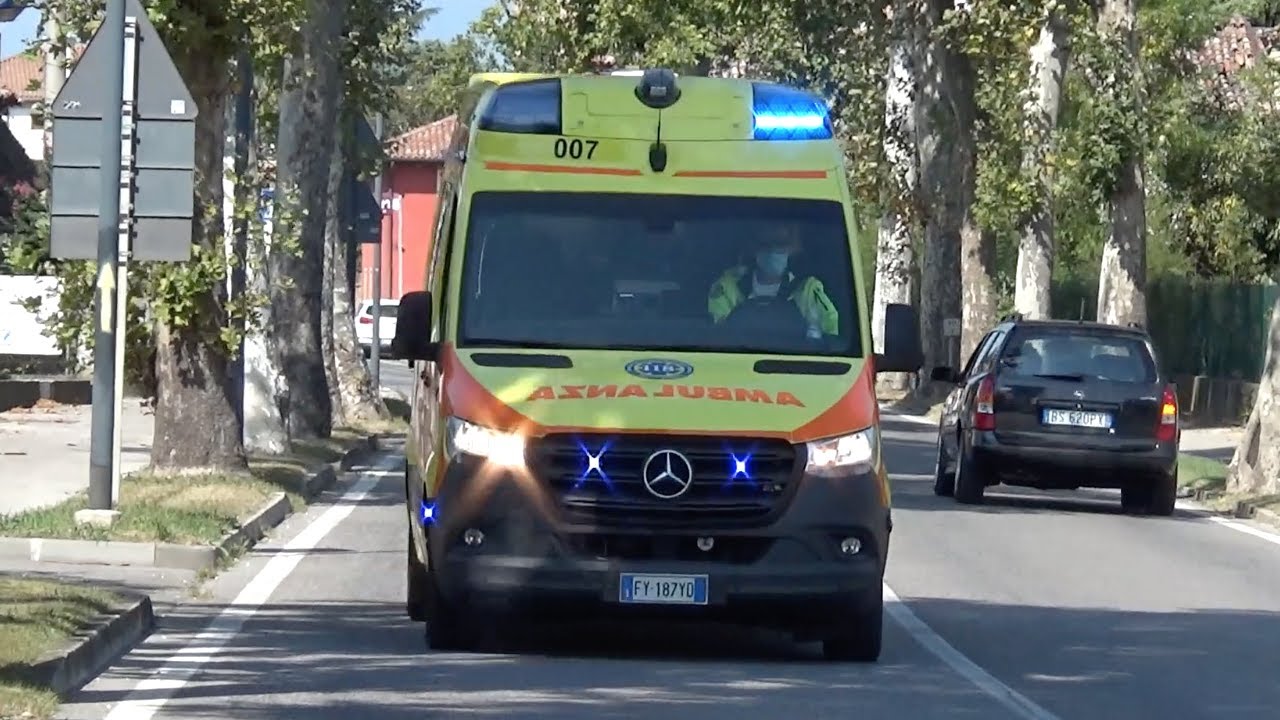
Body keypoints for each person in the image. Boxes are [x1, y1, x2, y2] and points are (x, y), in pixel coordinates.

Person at [707, 226, 838, 338]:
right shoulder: (727, 287)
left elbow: (831, 333)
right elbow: (718, 334)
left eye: (779, 245)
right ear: (754, 249)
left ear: (791, 250)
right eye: (766, 245)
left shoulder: (807, 290)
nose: (772, 251)